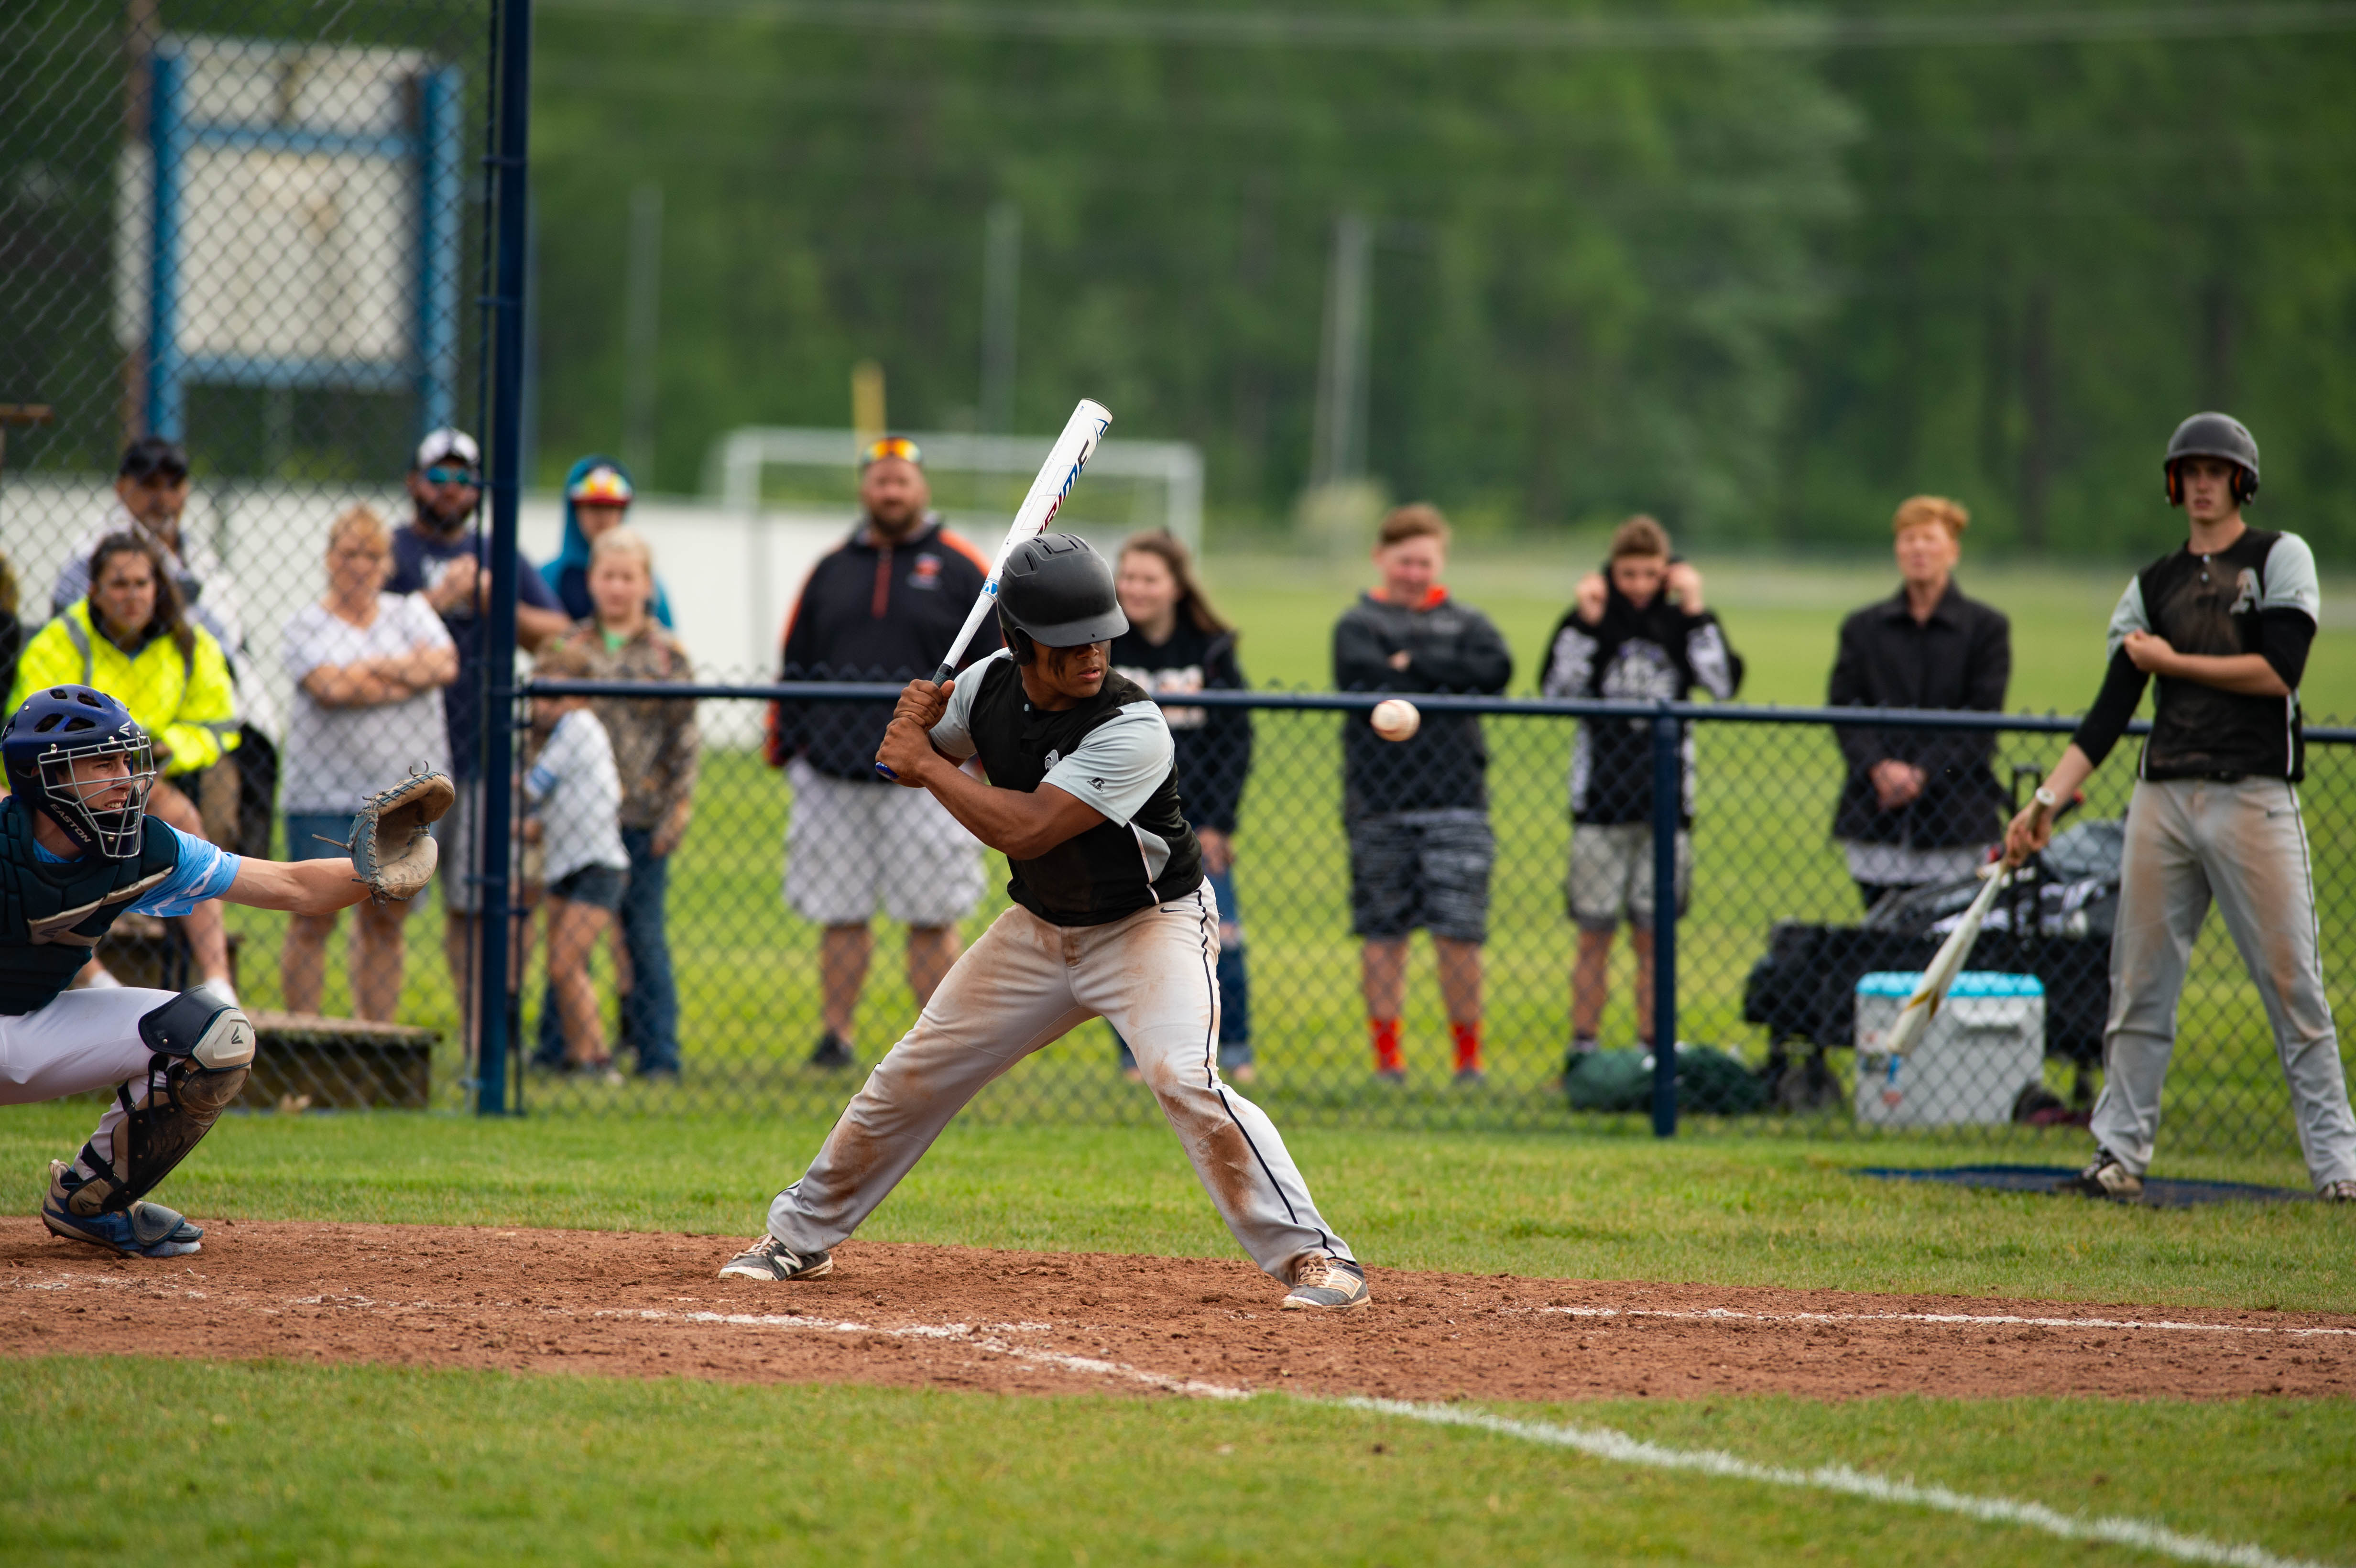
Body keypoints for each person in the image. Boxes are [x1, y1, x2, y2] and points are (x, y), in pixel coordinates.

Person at [719, 534, 1369, 1313]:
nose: (1091, 654)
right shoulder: (988, 686)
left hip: (1146, 927)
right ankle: (799, 1236)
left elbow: (1025, 828)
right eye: (1067, 644)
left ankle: (1319, 1259)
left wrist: (925, 763)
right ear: (1017, 642)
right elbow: (910, 758)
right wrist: (913, 730)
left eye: (1101, 635)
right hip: (1039, 928)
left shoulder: (1132, 725)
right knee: (911, 1074)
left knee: (1183, 1078)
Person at [2004, 413, 2356, 1204]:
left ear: (2240, 480)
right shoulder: (2151, 585)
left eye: (2216, 470)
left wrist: (2172, 661)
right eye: (2189, 470)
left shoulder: (2278, 557)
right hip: (2161, 796)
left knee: (2291, 984)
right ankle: (2116, 1155)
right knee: (2136, 986)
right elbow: (2105, 714)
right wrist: (2042, 802)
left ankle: (2339, 1169)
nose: (2201, 483)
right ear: (2173, 482)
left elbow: (2280, 671)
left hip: (2252, 797)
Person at [3, 685, 431, 1258]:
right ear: (42, 776)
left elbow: (292, 884)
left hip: (29, 1030)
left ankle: (89, 1202)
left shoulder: (146, 849)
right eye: (104, 762)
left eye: (129, 760)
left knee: (215, 1037)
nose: (127, 778)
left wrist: (372, 870)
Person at [765, 436, 997, 1069]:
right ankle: (836, 1035)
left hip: (929, 774)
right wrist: (785, 743)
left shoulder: (958, 567)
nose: (890, 492)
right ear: (864, 488)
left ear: (921, 488)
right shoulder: (832, 568)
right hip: (835, 769)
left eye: (901, 481)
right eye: (879, 481)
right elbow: (796, 659)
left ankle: (940, 1045)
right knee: (840, 911)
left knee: (931, 911)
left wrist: (976, 755)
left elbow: (998, 666)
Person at [385, 428, 570, 1052]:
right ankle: (374, 1043)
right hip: (401, 759)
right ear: (414, 482)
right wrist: (437, 601)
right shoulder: (391, 551)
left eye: (465, 477)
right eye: (439, 476)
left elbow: (559, 636)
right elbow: (361, 628)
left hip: (483, 756)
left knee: (473, 907)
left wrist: (496, 602)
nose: (453, 488)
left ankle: (477, 1046)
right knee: (389, 903)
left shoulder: (499, 554)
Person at [1545, 515, 1744, 1063]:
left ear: (1667, 572)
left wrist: (1696, 607)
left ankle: (1651, 1053)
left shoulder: (1682, 622)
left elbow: (1722, 685)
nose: (1637, 584)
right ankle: (1582, 1052)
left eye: (1649, 573)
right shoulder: (1590, 618)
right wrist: (1585, 623)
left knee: (1653, 937)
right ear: (1611, 570)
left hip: (1666, 802)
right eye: (1627, 573)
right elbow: (1555, 691)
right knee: (1593, 935)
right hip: (1600, 803)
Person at [11, 532, 241, 1004]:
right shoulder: (61, 640)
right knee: (52, 847)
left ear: (159, 587)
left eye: (143, 582)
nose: (133, 595)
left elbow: (218, 722)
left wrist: (169, 748)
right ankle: (93, 979)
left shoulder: (189, 642)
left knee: (187, 822)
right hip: (67, 785)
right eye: (119, 584)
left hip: (145, 775)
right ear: (93, 590)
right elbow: (29, 729)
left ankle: (219, 983)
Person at [1332, 503, 1513, 1084]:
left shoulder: (1468, 622)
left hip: (1456, 797)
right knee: (1384, 932)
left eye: (1425, 562)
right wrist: (1442, 672)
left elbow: (1494, 671)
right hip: (1378, 801)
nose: (1413, 572)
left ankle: (1469, 1062)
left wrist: (1411, 662)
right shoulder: (1357, 623)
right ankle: (1388, 1062)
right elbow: (1359, 674)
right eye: (1404, 561)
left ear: (1440, 562)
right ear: (1380, 558)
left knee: (1458, 932)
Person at [531, 528, 699, 1078]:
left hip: (641, 818)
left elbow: (684, 742)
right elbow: (536, 733)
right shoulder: (565, 650)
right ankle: (555, 1049)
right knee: (568, 935)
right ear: (591, 581)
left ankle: (659, 1055)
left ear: (646, 585)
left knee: (642, 934)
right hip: (575, 819)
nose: (618, 587)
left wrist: (679, 809)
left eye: (629, 577)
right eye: (608, 576)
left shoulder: (667, 655)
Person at [278, 506, 457, 1020]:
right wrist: (405, 674)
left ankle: (374, 1042)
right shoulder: (305, 624)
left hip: (400, 798)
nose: (360, 564)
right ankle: (304, 1039)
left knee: (386, 919)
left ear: (387, 563)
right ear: (330, 558)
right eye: (349, 552)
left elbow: (443, 665)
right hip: (322, 792)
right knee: (313, 916)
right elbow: (329, 687)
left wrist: (369, 668)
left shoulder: (412, 612)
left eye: (372, 554)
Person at [52, 436, 271, 848]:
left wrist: (173, 745)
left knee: (217, 833)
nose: (163, 498)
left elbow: (229, 653)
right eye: (150, 485)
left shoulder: (203, 560)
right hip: (105, 739)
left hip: (187, 732)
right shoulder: (91, 556)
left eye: (174, 485)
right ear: (122, 489)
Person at [1109, 530, 1256, 1083]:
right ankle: (1135, 1057)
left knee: (1222, 942)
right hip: (1121, 824)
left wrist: (1219, 822)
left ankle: (1234, 1053)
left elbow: (1234, 740)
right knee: (1125, 944)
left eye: (1149, 578)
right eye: (1128, 577)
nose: (1135, 588)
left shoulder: (1210, 650)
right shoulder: (1103, 644)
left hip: (1195, 825)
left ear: (1175, 586)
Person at [1828, 496, 2011, 910]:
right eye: (1909, 539)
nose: (1918, 549)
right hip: (1875, 818)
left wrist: (1925, 773)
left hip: (1957, 818)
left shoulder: (1986, 629)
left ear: (1953, 551)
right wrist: (1880, 768)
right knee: (1881, 939)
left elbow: (1981, 721)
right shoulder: (1863, 628)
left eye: (1930, 539)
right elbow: (1844, 709)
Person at [521, 641, 632, 1081]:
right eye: (540, 696)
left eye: (556, 696)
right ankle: (577, 1053)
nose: (545, 707)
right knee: (562, 966)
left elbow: (535, 786)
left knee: (566, 963)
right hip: (565, 863)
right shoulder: (569, 734)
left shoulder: (578, 727)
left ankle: (598, 1060)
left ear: (581, 698)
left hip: (597, 865)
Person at [539, 455, 676, 627]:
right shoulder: (549, 577)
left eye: (611, 506)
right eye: (592, 506)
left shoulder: (648, 584)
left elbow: (669, 641)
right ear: (574, 510)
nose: (602, 516)